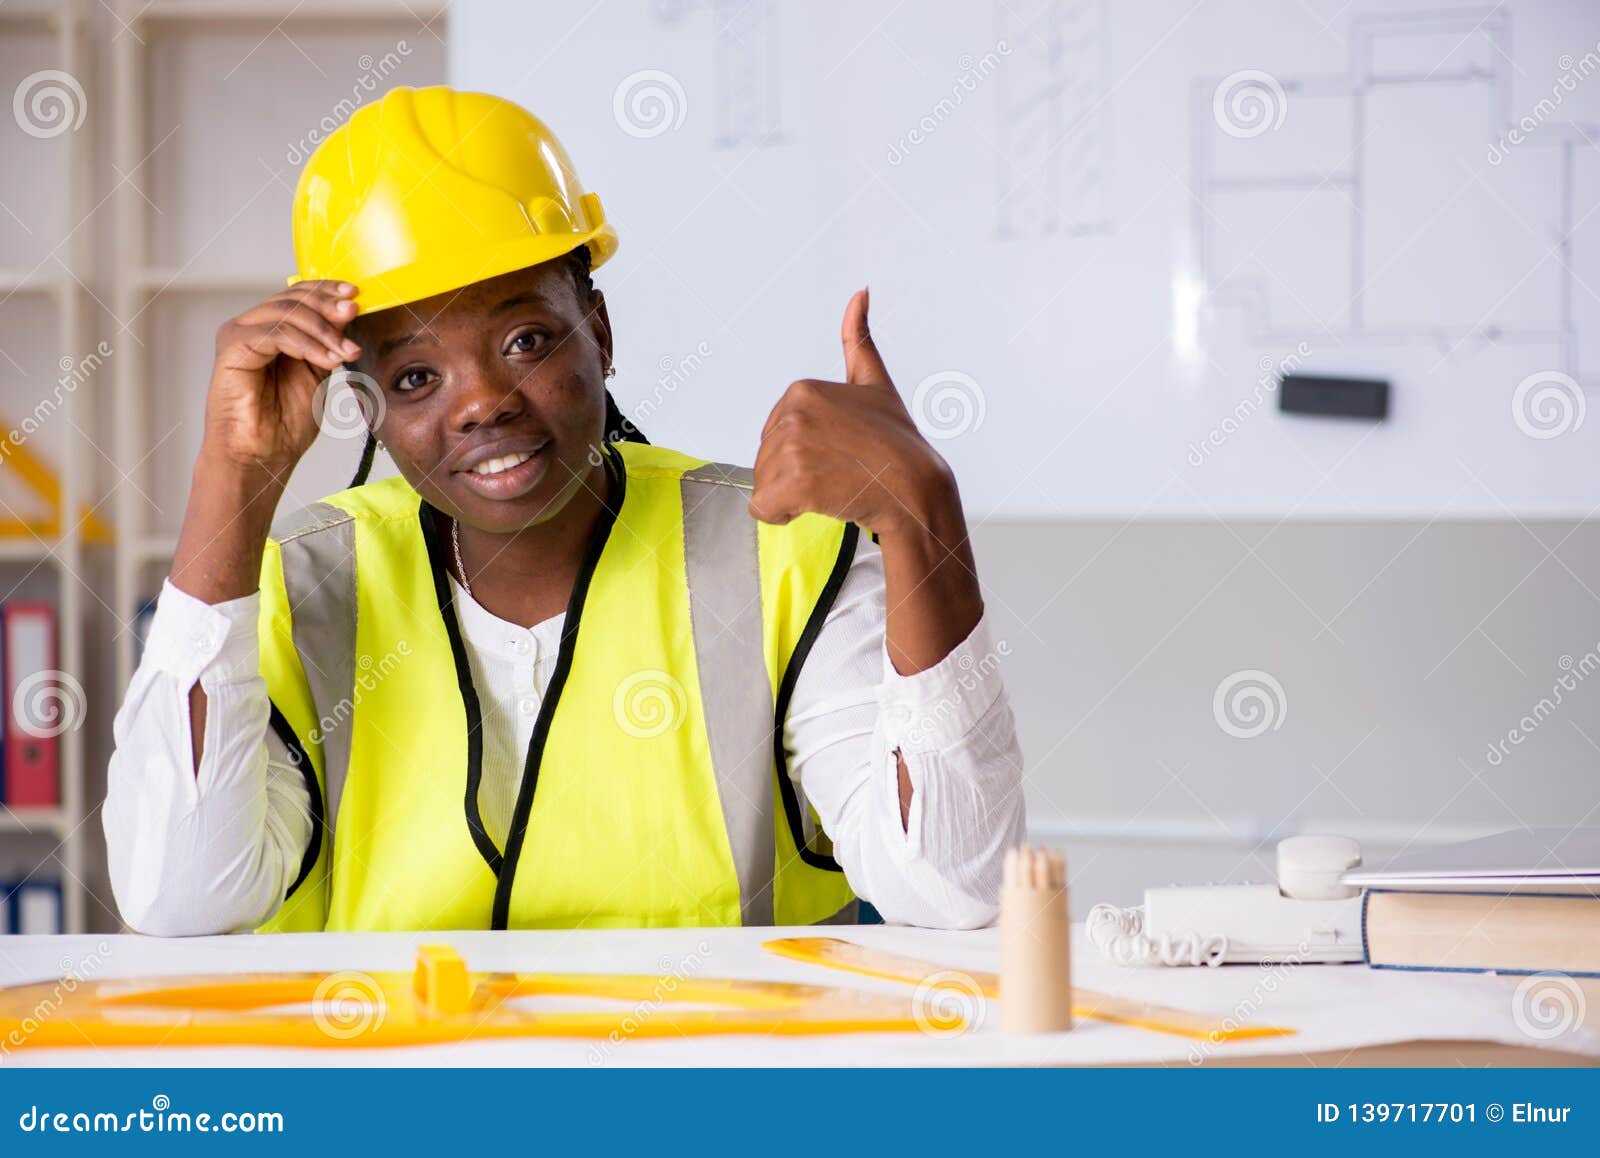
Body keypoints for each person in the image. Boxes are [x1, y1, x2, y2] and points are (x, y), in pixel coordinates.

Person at [103, 86, 1025, 934]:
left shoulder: (781, 555)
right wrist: (235, 483)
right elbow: (180, 899)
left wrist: (923, 513)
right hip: (390, 1063)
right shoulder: (298, 583)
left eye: (526, 339)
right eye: (416, 376)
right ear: (367, 404)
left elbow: (954, 887)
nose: (481, 402)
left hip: (722, 1062)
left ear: (600, 333)